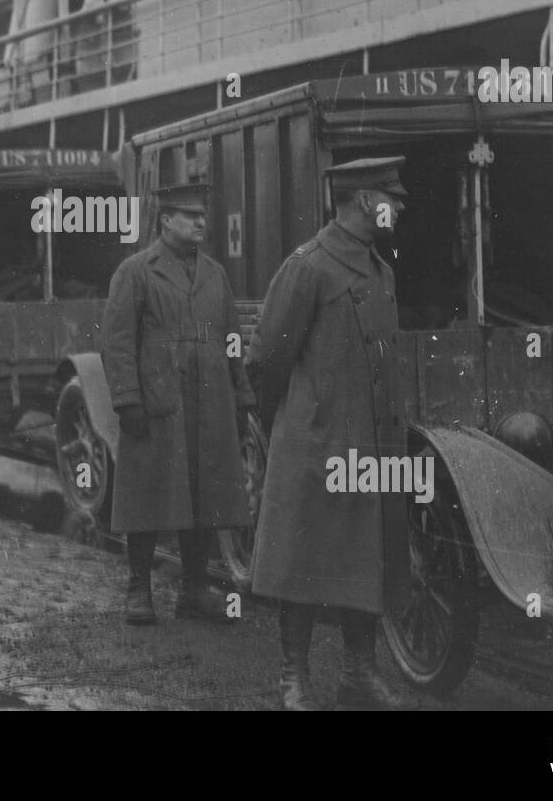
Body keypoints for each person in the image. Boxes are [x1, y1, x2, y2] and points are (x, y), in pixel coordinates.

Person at [248, 156, 414, 711]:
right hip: (318, 444)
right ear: (366, 201)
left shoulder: (381, 271)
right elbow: (267, 357)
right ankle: (292, 679)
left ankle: (358, 674)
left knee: (366, 556)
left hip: (372, 447)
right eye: (393, 196)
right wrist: (297, 425)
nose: (402, 204)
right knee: (303, 559)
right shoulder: (308, 267)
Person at [101, 181, 254, 625]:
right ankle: (138, 590)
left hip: (209, 402)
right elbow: (117, 342)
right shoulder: (136, 272)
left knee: (205, 497)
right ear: (165, 221)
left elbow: (230, 340)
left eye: (202, 215)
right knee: (149, 497)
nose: (201, 222)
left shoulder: (215, 274)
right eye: (190, 215)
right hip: (157, 403)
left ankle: (194, 591)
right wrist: (127, 399)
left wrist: (241, 395)